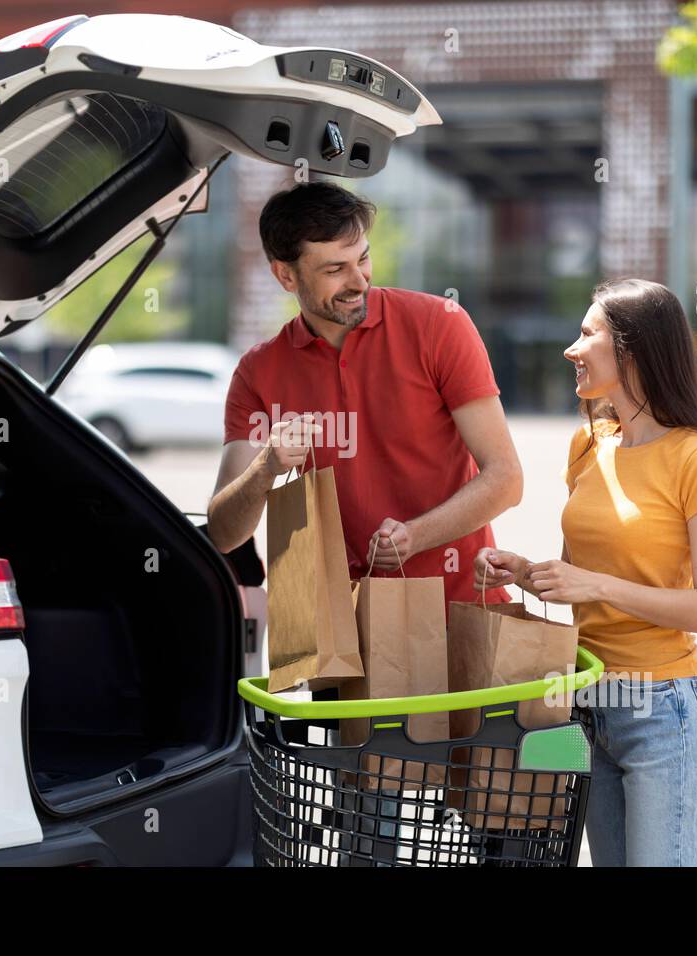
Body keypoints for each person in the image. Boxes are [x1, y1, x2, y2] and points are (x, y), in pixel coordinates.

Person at [208, 180, 523, 865]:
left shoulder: (438, 325)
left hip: (465, 613)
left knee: (500, 833)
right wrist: (265, 466)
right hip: (354, 641)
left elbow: (506, 478)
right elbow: (224, 533)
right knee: (370, 839)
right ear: (284, 274)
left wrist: (417, 535)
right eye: (334, 268)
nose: (358, 281)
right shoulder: (260, 373)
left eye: (362, 260)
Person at [475, 278, 697, 867]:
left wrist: (595, 586)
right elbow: (580, 574)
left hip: (663, 712)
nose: (572, 348)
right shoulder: (587, 445)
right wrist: (524, 572)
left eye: (588, 333)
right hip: (587, 703)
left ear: (633, 351)